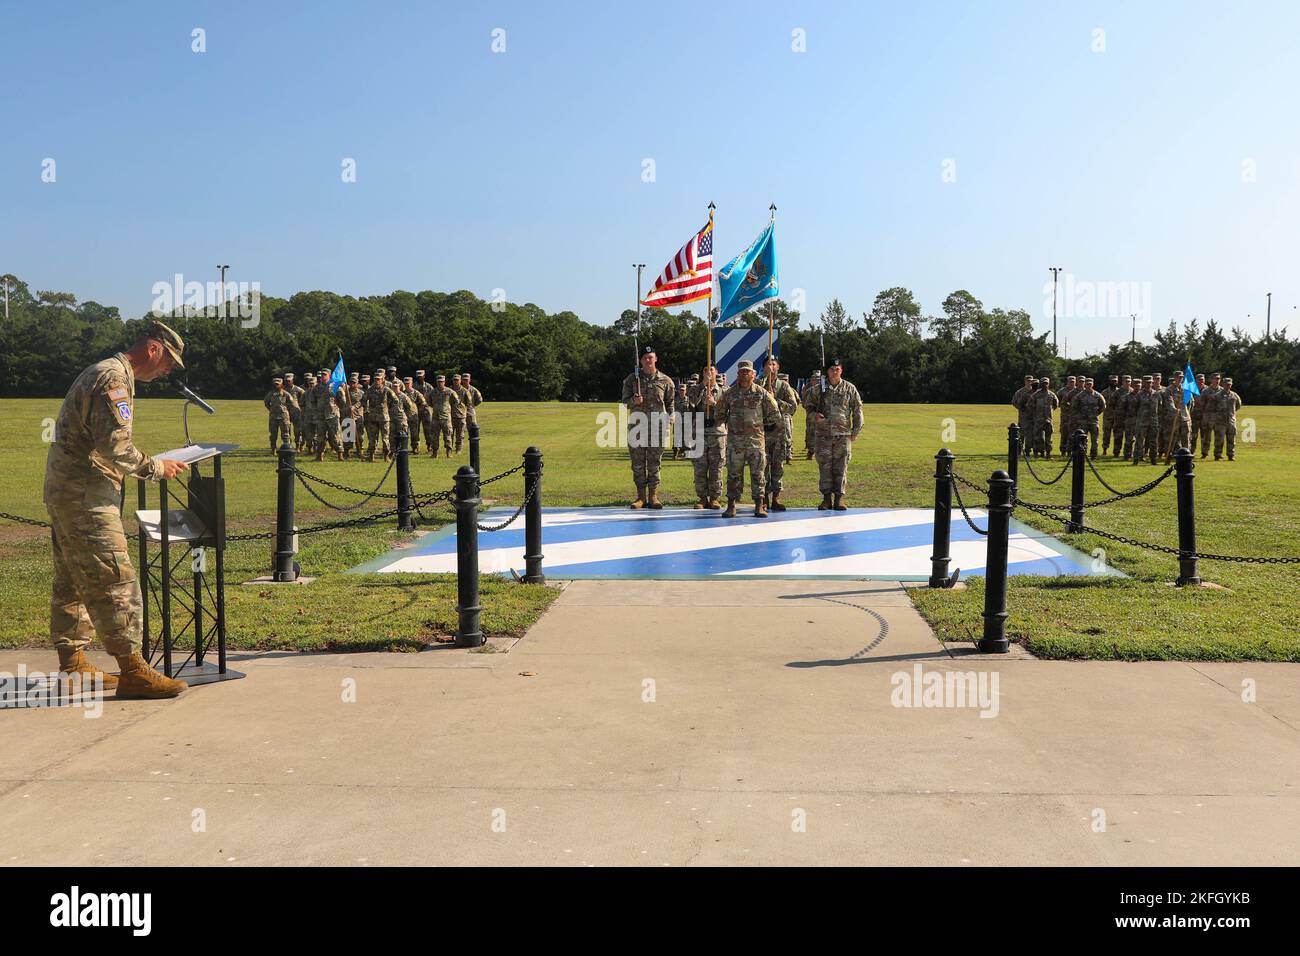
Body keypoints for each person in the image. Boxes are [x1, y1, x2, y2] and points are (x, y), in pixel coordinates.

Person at [44, 320, 191, 699]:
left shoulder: (106, 372)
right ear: (154, 349)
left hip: (68, 493)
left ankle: (73, 664)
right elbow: (115, 447)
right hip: (86, 498)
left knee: (72, 579)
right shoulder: (114, 379)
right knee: (115, 576)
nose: (168, 371)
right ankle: (134, 671)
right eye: (169, 362)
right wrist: (157, 467)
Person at [715, 359, 782, 517]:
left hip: (756, 442)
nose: (745, 374)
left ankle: (759, 505)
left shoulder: (761, 393)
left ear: (753, 374)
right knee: (733, 474)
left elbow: (775, 414)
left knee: (758, 474)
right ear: (738, 374)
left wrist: (763, 425)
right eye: (742, 371)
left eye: (748, 371)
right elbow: (719, 415)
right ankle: (731, 505)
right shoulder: (729, 394)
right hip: (735, 443)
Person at [803, 357, 863, 510]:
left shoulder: (849, 388)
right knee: (825, 467)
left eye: (837, 369)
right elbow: (807, 406)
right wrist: (814, 416)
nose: (835, 371)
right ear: (827, 371)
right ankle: (826, 499)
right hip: (823, 435)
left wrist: (856, 431)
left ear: (841, 370)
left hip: (843, 436)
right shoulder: (818, 389)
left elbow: (857, 410)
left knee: (841, 467)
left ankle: (839, 499)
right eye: (832, 369)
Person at [620, 346, 675, 509]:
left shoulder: (665, 380)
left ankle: (653, 496)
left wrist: (671, 417)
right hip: (637, 427)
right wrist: (633, 402)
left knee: (654, 463)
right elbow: (624, 402)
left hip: (658, 428)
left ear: (656, 359)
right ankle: (640, 497)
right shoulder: (632, 379)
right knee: (637, 463)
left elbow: (670, 402)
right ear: (640, 361)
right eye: (645, 358)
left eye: (651, 357)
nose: (648, 360)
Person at [677, 365, 726, 509]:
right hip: (698, 431)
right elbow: (690, 406)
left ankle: (715, 498)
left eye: (711, 369)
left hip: (717, 432)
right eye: (705, 370)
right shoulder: (694, 389)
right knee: (700, 467)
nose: (708, 372)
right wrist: (703, 388)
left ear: (716, 372)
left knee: (716, 467)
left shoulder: (724, 391)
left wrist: (714, 404)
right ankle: (702, 497)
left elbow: (728, 411)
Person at [757, 355, 799, 511]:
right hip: (761, 432)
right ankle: (763, 498)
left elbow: (793, 407)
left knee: (777, 466)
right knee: (762, 466)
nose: (771, 367)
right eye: (768, 364)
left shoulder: (784, 387)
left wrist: (776, 401)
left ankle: (776, 497)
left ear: (778, 367)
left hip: (779, 432)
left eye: (773, 364)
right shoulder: (758, 385)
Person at [1072, 378, 1106, 459]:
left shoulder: (1097, 395)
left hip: (1094, 421)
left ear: (1093, 384)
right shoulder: (1079, 396)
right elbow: (1074, 407)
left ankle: (1094, 454)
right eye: (1087, 384)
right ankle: (1083, 454)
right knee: (1083, 439)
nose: (1089, 385)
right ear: (1085, 385)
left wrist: (1096, 413)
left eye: (1090, 384)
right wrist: (1079, 416)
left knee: (1095, 439)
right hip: (1083, 421)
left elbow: (1103, 406)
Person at [429, 374, 461, 457]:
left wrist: (447, 408)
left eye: (442, 382)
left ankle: (448, 452)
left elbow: (456, 401)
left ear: (444, 382)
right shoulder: (433, 392)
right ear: (436, 382)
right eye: (439, 382)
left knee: (447, 435)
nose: (440, 383)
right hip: (435, 417)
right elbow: (428, 401)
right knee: (434, 436)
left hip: (446, 417)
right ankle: (435, 452)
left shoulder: (450, 391)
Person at [363, 368, 391, 461]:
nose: (377, 381)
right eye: (375, 379)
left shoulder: (386, 390)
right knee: (372, 439)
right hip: (373, 418)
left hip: (383, 418)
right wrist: (354, 407)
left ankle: (386, 456)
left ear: (382, 380)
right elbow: (363, 400)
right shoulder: (370, 390)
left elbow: (395, 400)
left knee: (385, 438)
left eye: (378, 379)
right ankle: (371, 456)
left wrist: (388, 407)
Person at [1131, 376, 1160, 465]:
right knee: (1139, 441)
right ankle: (1136, 459)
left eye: (1150, 382)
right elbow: (1134, 408)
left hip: (1153, 422)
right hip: (1142, 422)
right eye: (1147, 382)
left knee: (1153, 442)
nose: (1149, 384)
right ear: (1143, 383)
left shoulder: (1157, 394)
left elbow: (1160, 408)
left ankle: (1153, 460)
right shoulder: (1139, 395)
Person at [264, 376, 297, 452]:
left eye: (278, 384)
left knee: (285, 434)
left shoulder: (286, 394)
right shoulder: (270, 394)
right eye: (275, 384)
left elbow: (292, 403)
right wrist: (271, 409)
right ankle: (273, 449)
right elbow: (266, 402)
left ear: (281, 384)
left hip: (284, 417)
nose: (276, 386)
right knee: (273, 434)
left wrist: (286, 411)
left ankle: (287, 448)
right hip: (273, 417)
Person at [1029, 375, 1058, 457]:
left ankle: (1048, 454)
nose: (1045, 385)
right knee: (1037, 437)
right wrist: (1036, 413)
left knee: (1049, 438)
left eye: (1046, 383)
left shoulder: (1052, 395)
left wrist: (1050, 412)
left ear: (1048, 384)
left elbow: (1056, 405)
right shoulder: (1035, 395)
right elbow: (1030, 405)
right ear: (1040, 384)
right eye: (1043, 383)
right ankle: (1036, 453)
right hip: (1038, 420)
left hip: (1048, 420)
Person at [1011, 375, 1035, 454]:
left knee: (1030, 434)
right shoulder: (1020, 392)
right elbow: (1014, 402)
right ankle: (1019, 450)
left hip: (1033, 417)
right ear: (1025, 381)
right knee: (1021, 433)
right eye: (1028, 381)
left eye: (1031, 381)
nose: (1029, 382)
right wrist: (1021, 409)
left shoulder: (1035, 391)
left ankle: (1028, 450)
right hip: (1023, 417)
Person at [1100, 375, 1121, 456]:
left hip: (1118, 417)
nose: (1114, 382)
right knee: (1106, 434)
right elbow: (1101, 404)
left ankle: (1116, 451)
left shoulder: (1120, 392)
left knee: (1117, 435)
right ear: (1109, 381)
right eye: (1112, 381)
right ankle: (1105, 449)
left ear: (1117, 381)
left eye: (1115, 381)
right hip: (1107, 417)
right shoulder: (1104, 392)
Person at [450, 373, 468, 454]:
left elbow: (469, 403)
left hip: (461, 416)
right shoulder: (449, 390)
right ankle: (449, 449)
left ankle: (458, 449)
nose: (456, 381)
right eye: (454, 380)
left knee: (460, 434)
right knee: (449, 433)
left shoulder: (464, 391)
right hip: (450, 415)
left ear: (460, 381)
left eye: (457, 380)